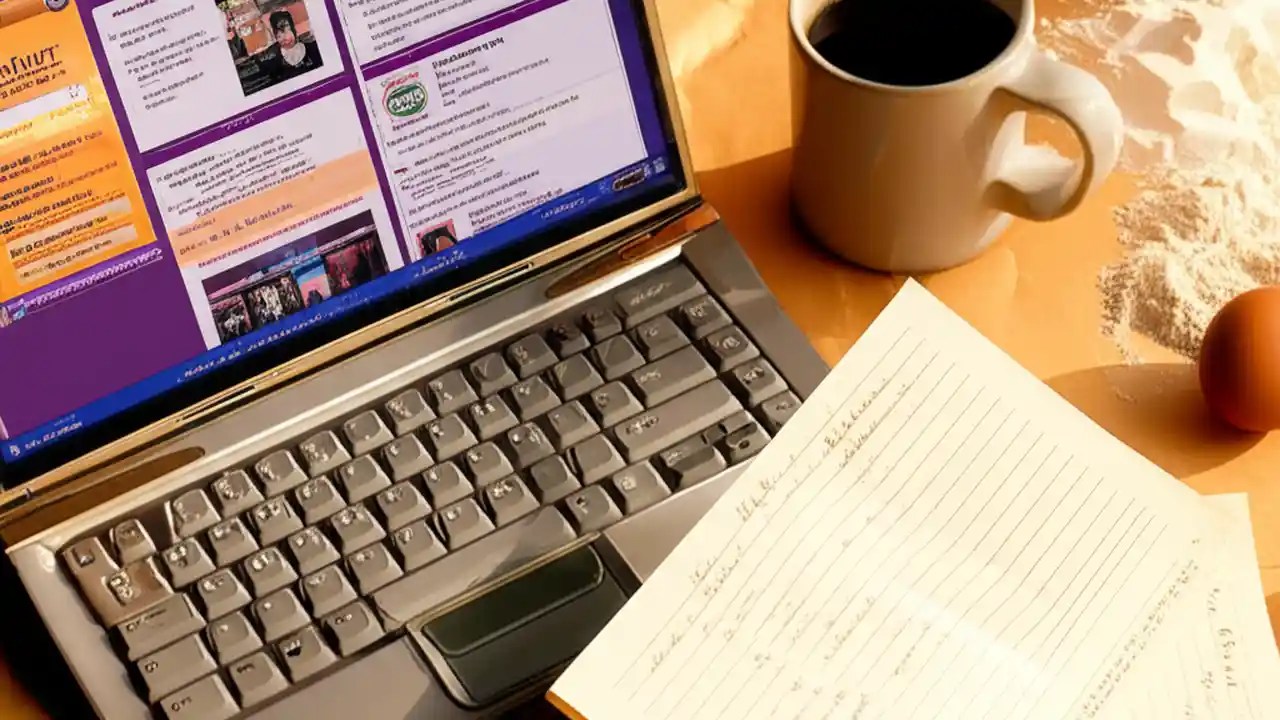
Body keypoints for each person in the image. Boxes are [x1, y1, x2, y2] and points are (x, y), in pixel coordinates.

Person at [266, 10, 322, 83]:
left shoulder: (313, 48)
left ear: (294, 29)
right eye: (279, 34)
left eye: (287, 30)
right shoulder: (274, 63)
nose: (285, 38)